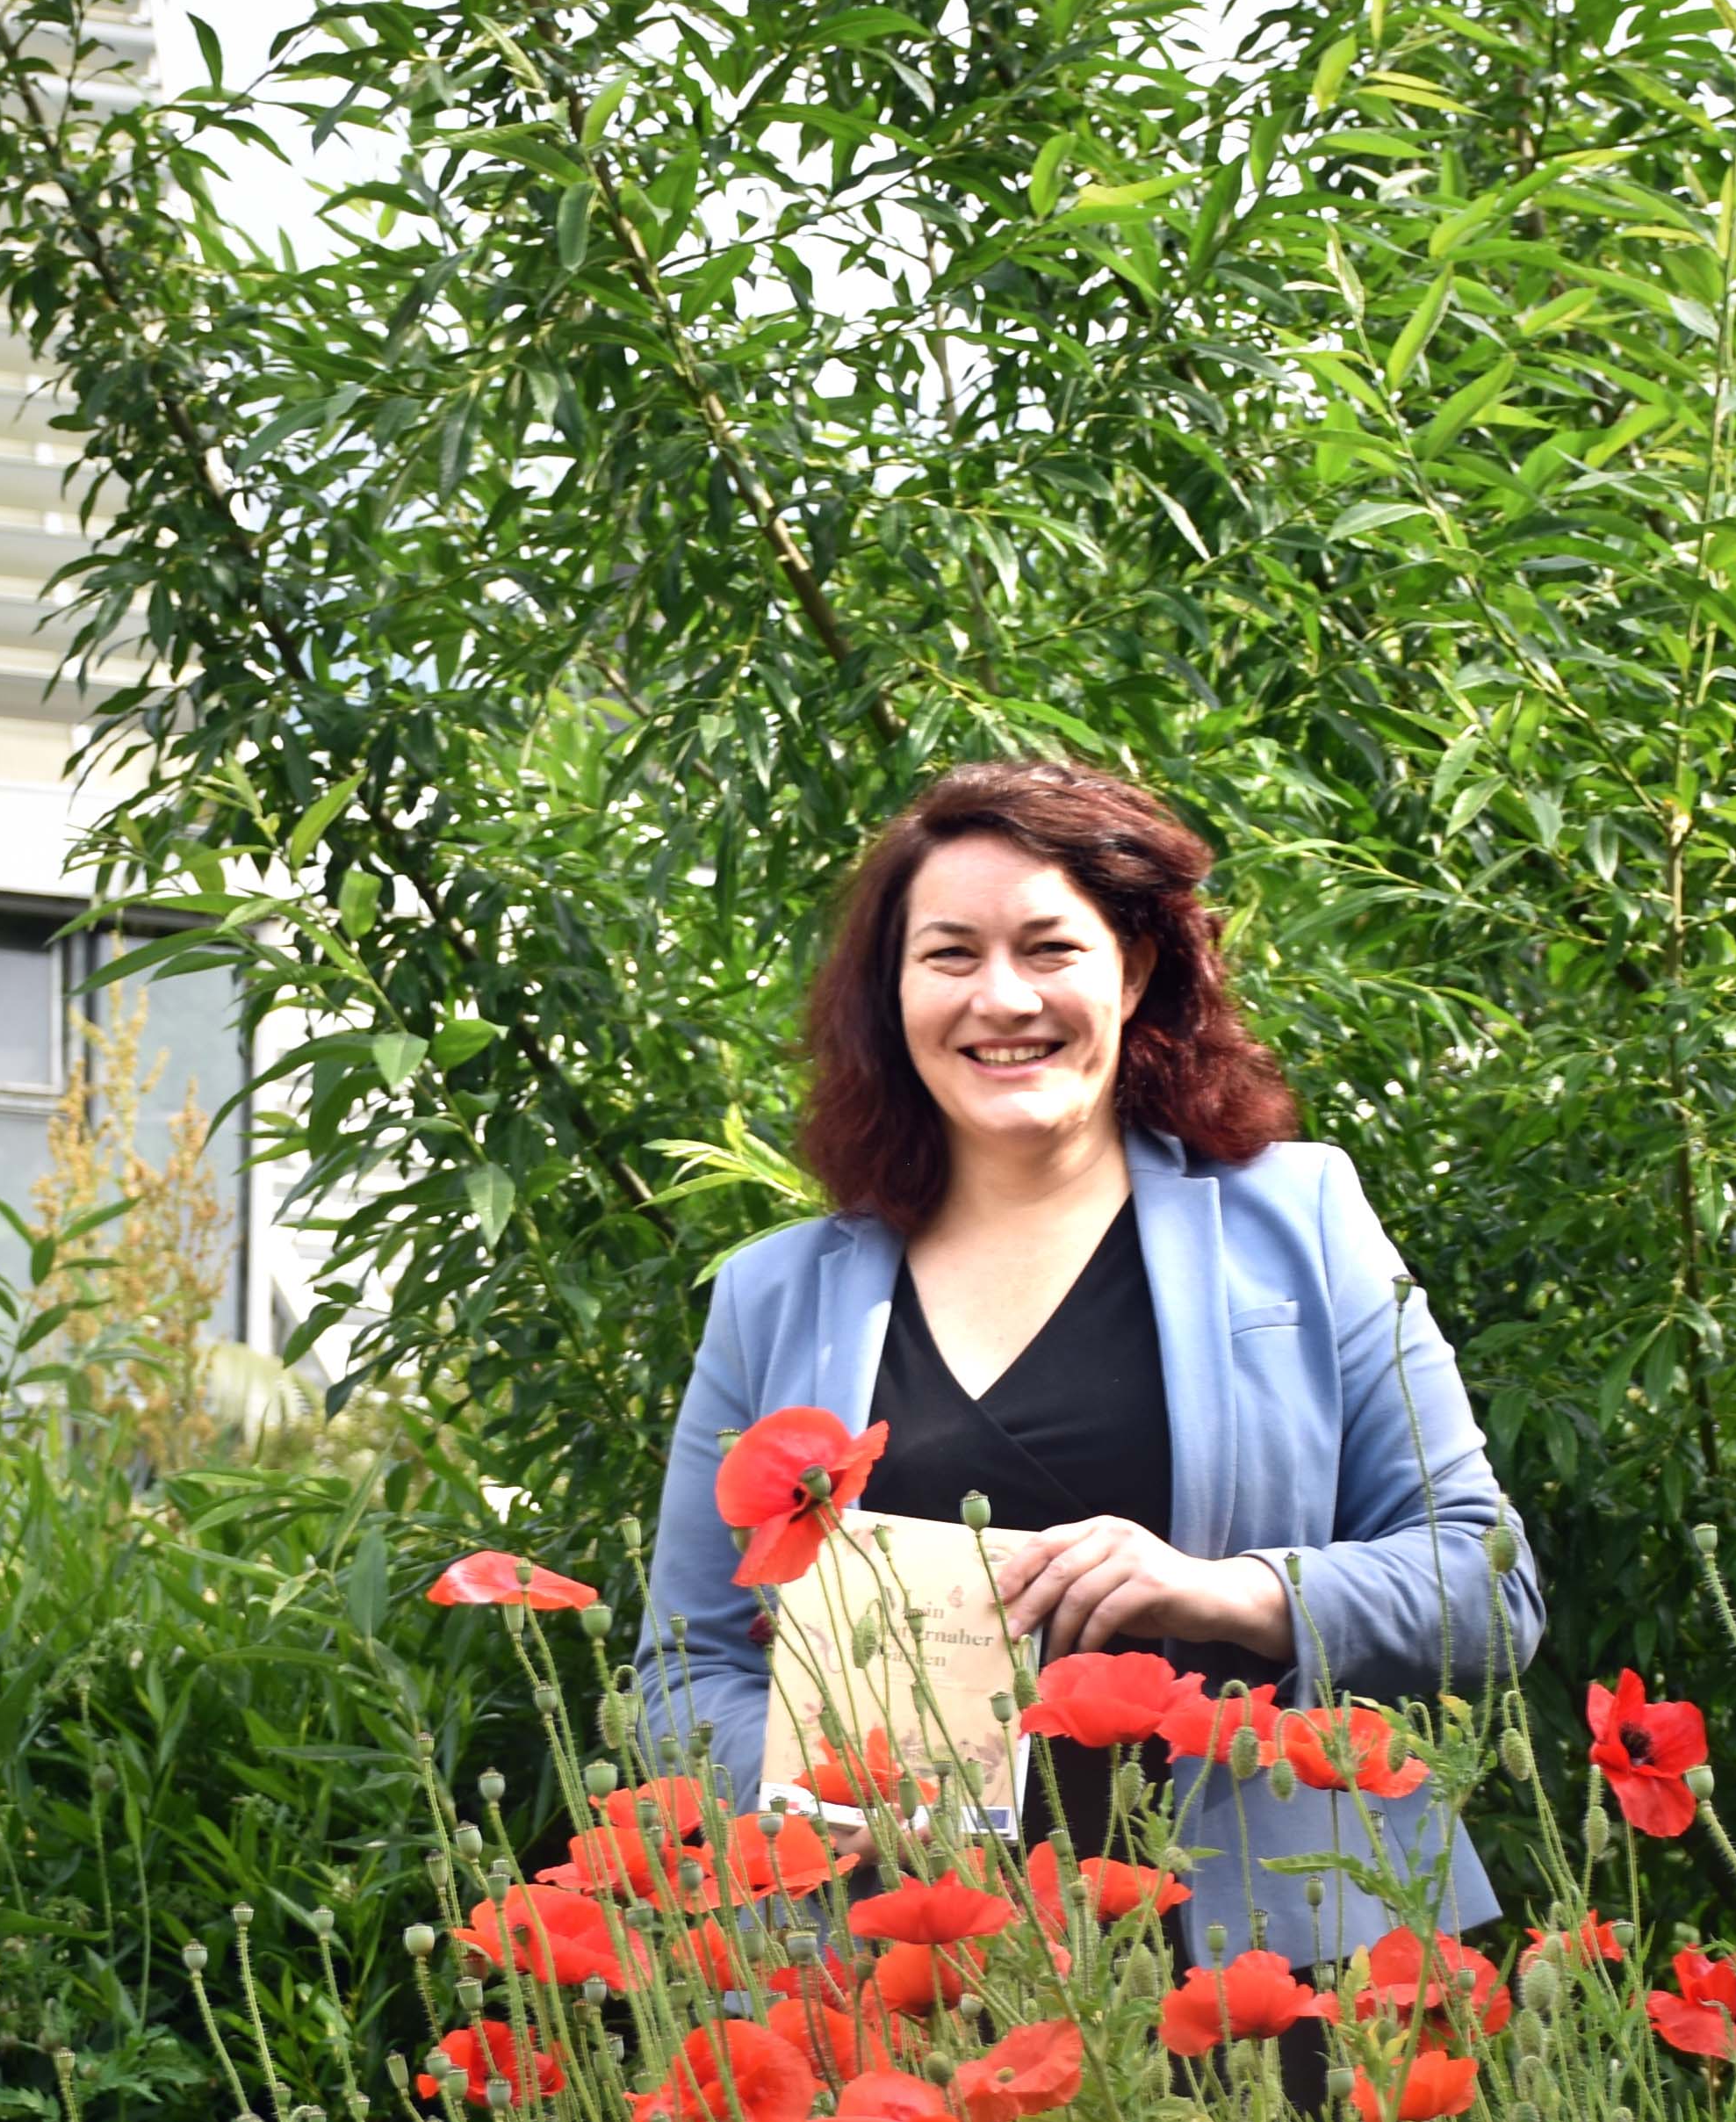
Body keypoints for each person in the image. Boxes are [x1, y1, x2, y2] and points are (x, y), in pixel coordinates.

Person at [638, 759, 1541, 1968]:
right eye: (949, 955)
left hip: (1279, 1962)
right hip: (910, 1984)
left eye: (1049, 948)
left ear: (1136, 967)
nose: (1001, 998)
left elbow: (1488, 1586)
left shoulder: (1301, 1219)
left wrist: (1226, 1592)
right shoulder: (775, 1296)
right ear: (891, 995)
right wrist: (823, 1801)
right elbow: (686, 1663)